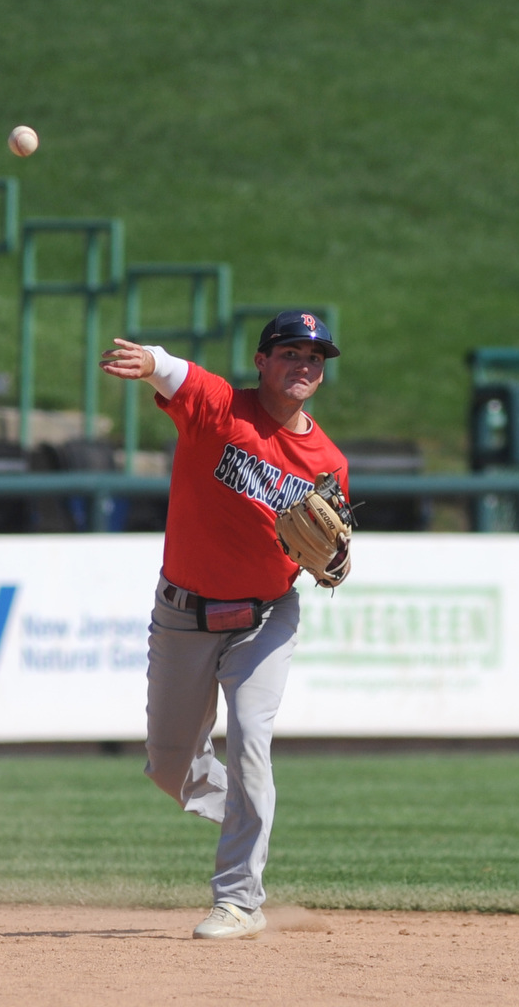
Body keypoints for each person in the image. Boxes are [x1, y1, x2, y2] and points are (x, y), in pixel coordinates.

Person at [99, 310, 350, 940]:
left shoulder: (327, 461)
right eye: (290, 352)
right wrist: (149, 360)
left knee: (249, 740)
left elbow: (332, 550)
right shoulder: (220, 409)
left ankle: (239, 900)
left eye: (315, 357)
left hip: (264, 618)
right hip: (183, 614)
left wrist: (338, 561)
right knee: (169, 767)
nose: (304, 364)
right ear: (262, 361)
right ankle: (246, 808)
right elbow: (174, 371)